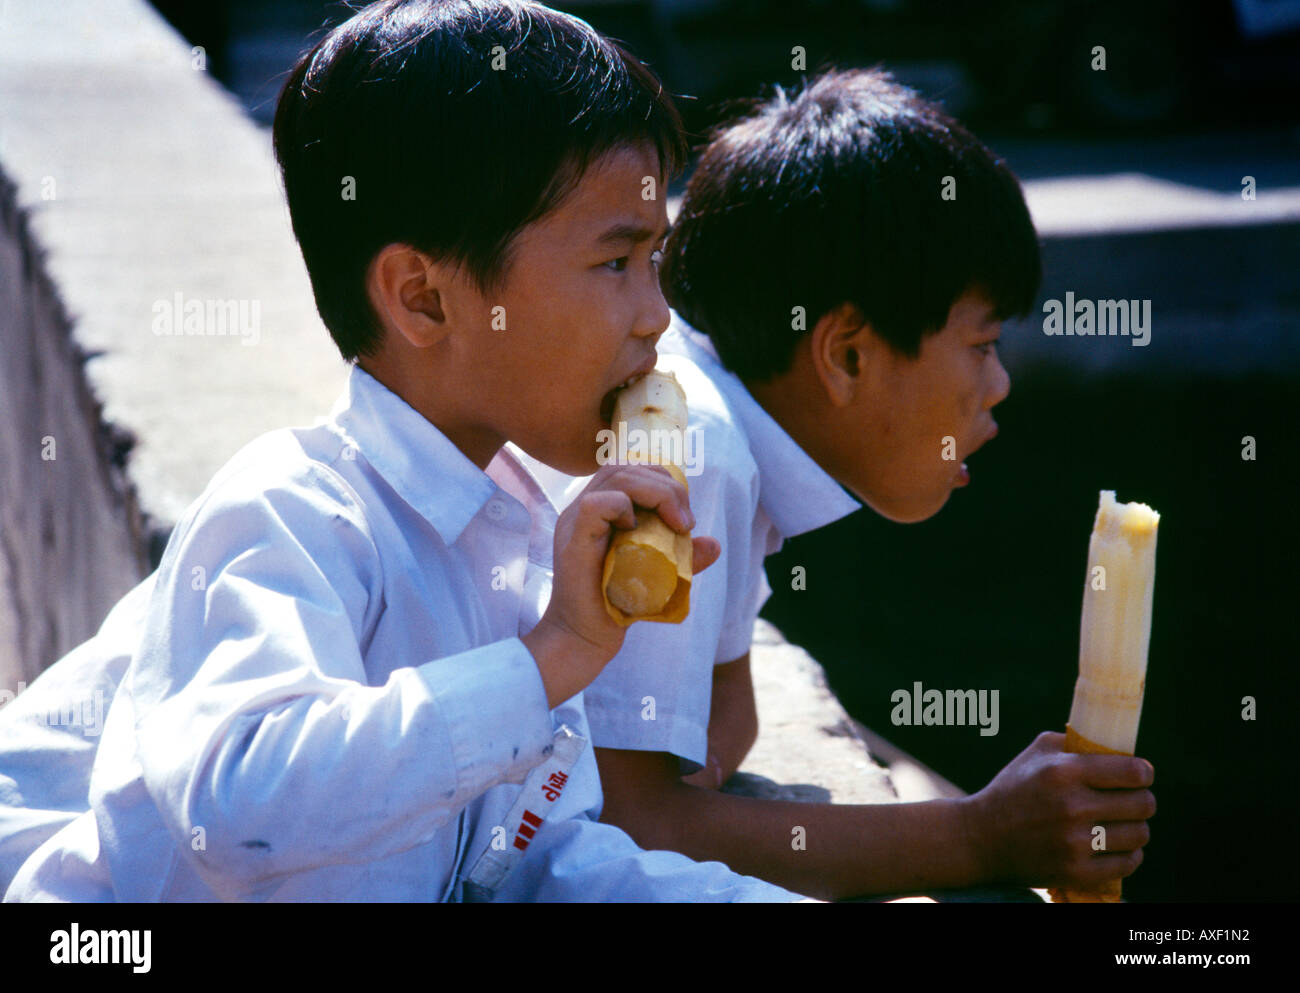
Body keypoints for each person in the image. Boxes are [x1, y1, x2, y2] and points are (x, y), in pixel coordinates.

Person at [1, 0, 802, 903]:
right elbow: (238, 807)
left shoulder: (523, 541)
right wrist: (548, 661)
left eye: (655, 261)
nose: (657, 315)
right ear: (422, 299)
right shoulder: (290, 510)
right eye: (616, 264)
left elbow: (537, 864)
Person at [548, 68, 1156, 901]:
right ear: (846, 355)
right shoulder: (698, 451)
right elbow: (632, 822)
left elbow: (727, 707)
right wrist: (978, 835)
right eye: (981, 345)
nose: (1001, 383)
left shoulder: (714, 421)